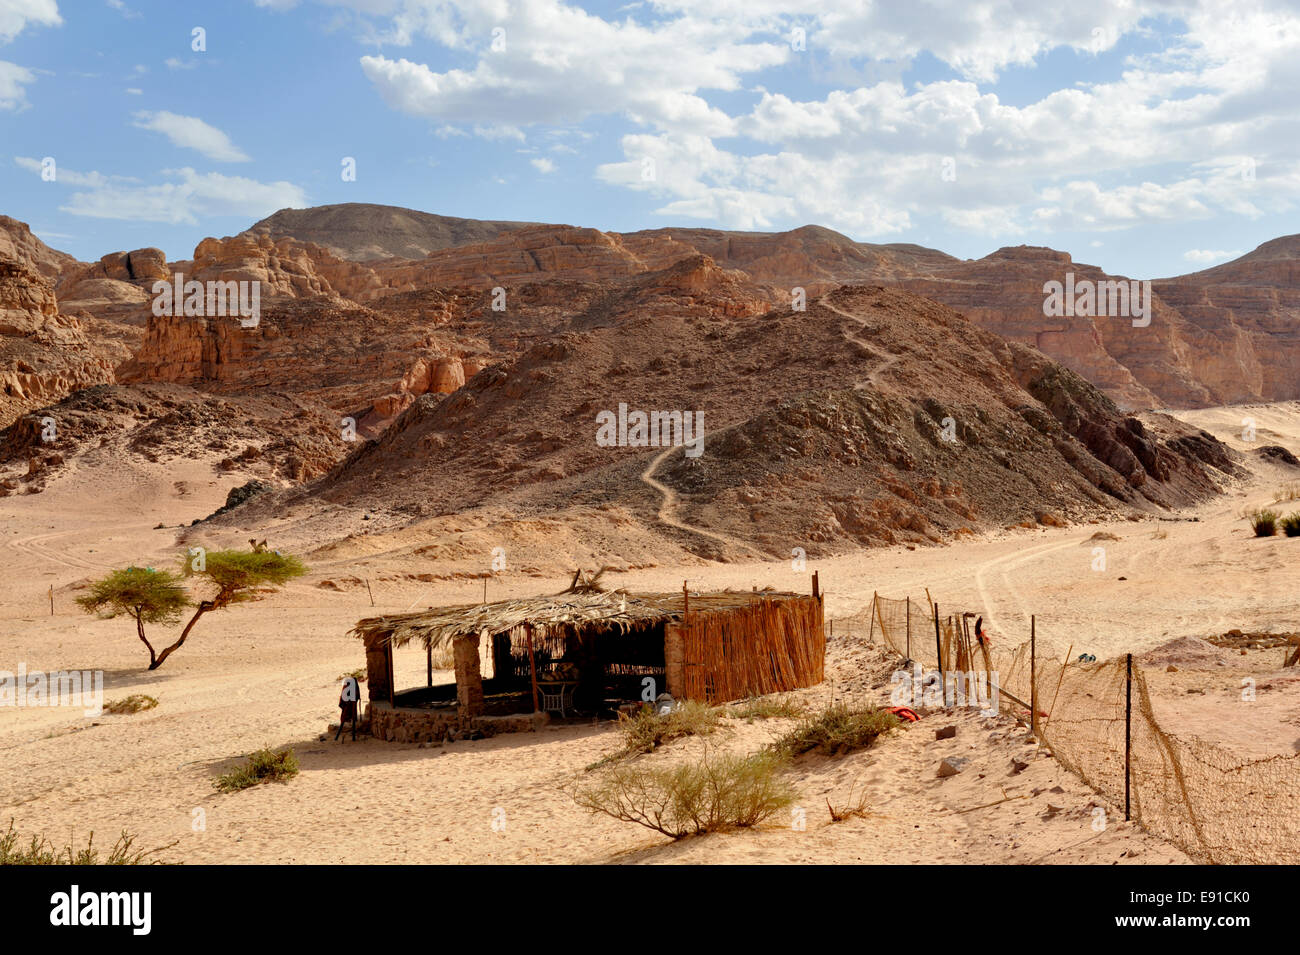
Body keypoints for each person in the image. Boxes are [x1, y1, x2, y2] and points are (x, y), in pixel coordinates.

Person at [336, 675, 360, 741]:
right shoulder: (349, 686)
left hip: (348, 703)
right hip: (348, 703)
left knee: (346, 715)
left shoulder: (348, 686)